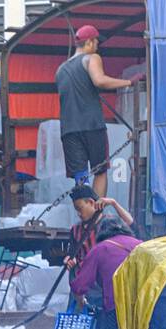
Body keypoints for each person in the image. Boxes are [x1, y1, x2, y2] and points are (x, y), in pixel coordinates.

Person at [54, 24, 132, 198]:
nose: (97, 45)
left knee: (81, 177)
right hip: (92, 126)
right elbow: (99, 81)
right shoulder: (91, 58)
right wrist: (128, 82)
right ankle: (97, 217)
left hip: (69, 131)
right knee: (100, 170)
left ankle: (86, 217)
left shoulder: (60, 70)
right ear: (89, 42)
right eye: (96, 41)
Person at [68, 217, 140, 329]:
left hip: (117, 313)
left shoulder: (101, 249)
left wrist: (73, 273)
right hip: (144, 314)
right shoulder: (141, 246)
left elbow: (79, 286)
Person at [64, 184, 133, 276]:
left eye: (80, 209)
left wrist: (113, 203)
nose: (78, 214)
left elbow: (129, 221)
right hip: (84, 280)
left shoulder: (109, 223)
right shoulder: (75, 229)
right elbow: (72, 254)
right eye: (76, 210)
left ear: (91, 202)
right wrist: (70, 260)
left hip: (104, 278)